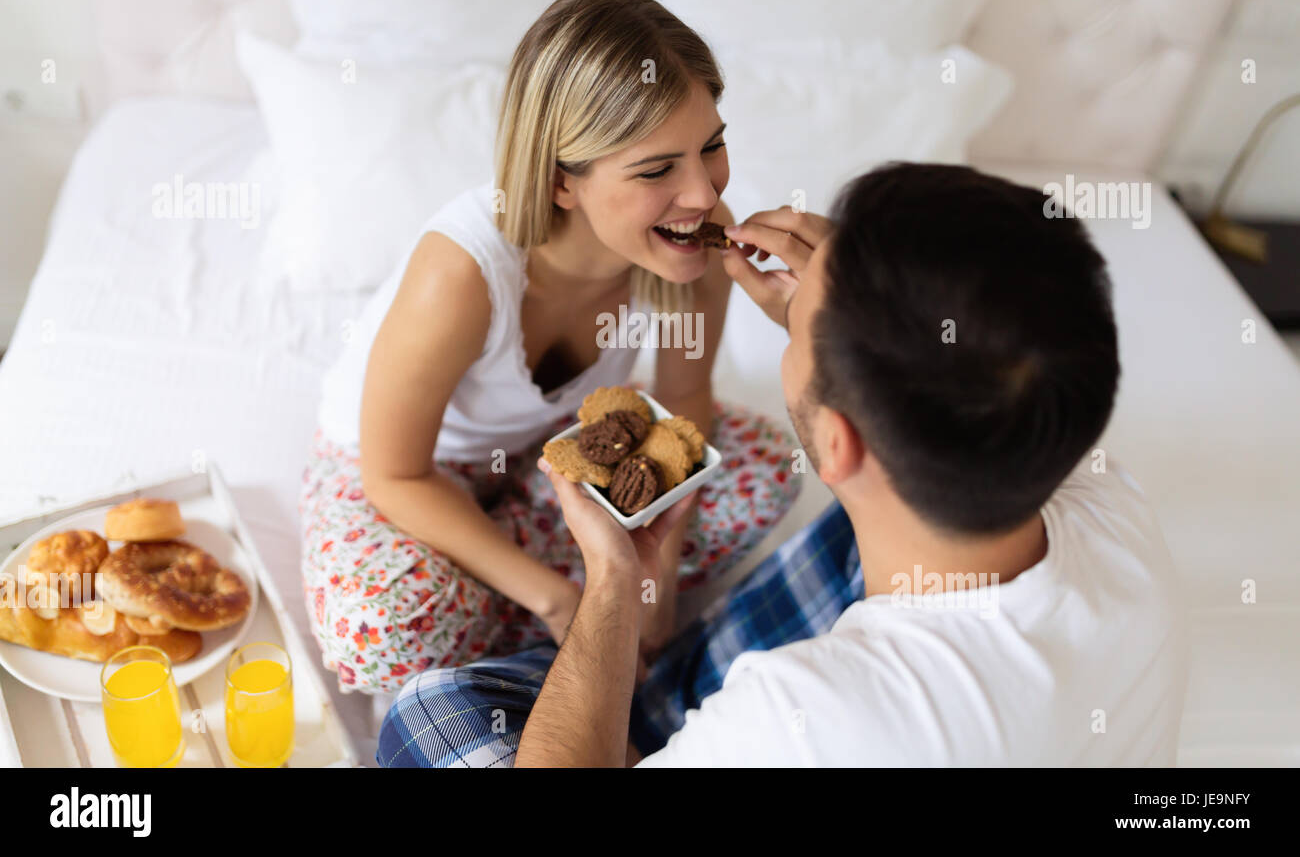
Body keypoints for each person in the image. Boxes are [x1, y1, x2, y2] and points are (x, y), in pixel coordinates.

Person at [378, 162, 1190, 766]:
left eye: (802, 327)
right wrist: (857, 304)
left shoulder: (805, 718)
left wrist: (616, 583)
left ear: (836, 443)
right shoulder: (1116, 514)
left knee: (425, 715)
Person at [298, 0, 801, 696]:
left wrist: (654, 574)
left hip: (546, 456)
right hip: (408, 475)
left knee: (769, 472)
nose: (701, 191)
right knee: (375, 624)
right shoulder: (463, 272)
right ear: (563, 182)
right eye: (657, 169)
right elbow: (394, 475)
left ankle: (501, 620)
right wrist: (564, 601)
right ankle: (546, 606)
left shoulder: (692, 239)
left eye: (712, 147)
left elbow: (684, 401)